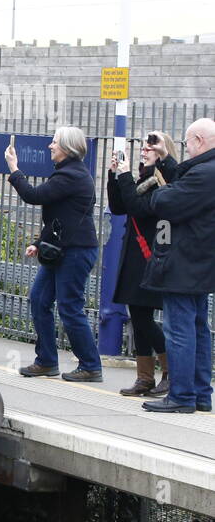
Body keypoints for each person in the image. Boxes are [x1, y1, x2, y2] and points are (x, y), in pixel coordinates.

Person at [117, 117, 215, 413]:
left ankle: (182, 396)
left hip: (184, 263)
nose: (185, 149)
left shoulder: (205, 175)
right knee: (198, 328)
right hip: (199, 264)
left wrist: (158, 191)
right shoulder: (206, 171)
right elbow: (183, 182)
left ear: (198, 140)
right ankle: (199, 394)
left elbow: (166, 201)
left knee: (181, 330)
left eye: (187, 144)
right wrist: (167, 157)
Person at [4, 126, 102, 382]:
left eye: (55, 142)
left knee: (70, 307)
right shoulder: (67, 174)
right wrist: (40, 242)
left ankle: (91, 365)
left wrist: (14, 169)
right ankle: (46, 360)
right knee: (38, 299)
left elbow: (34, 196)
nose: (50, 146)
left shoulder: (71, 176)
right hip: (62, 250)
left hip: (76, 251)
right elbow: (61, 218)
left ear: (68, 148)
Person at [107, 130, 179, 397]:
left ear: (163, 151)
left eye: (151, 147)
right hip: (135, 255)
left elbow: (138, 207)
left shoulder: (161, 181)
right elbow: (118, 207)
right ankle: (145, 377)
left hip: (150, 256)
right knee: (138, 317)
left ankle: (170, 371)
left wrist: (125, 177)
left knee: (145, 318)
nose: (144, 150)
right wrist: (115, 176)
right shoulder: (141, 178)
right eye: (143, 146)